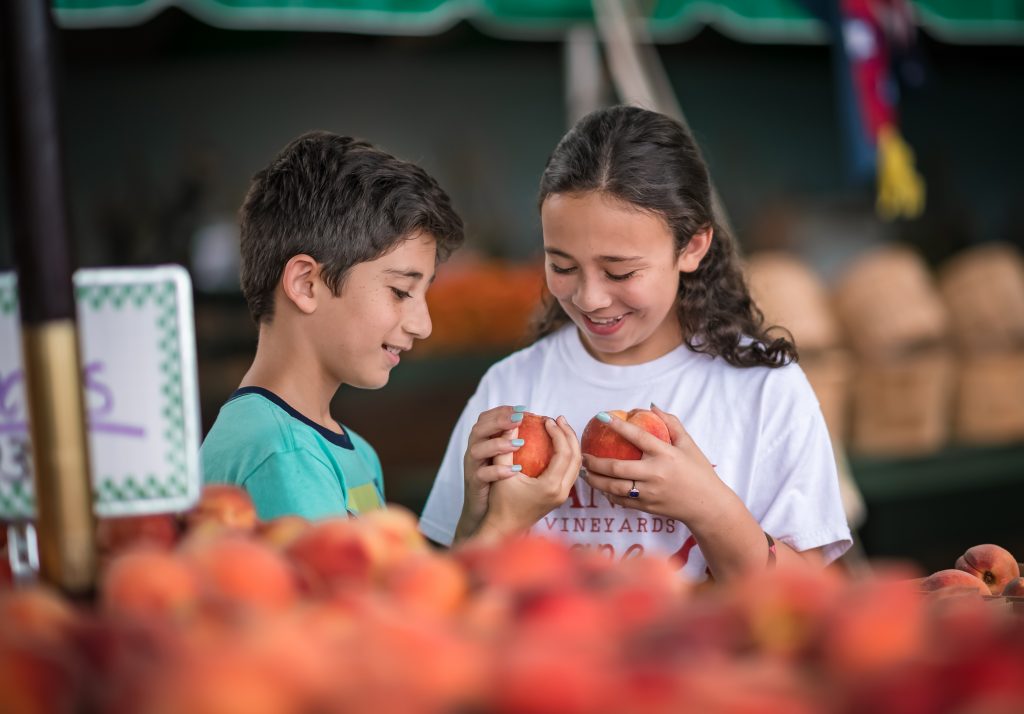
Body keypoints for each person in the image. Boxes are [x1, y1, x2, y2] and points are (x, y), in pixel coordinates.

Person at [420, 106, 852, 582]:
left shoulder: (762, 389)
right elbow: (452, 584)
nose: (589, 297)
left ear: (692, 247)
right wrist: (492, 522)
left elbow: (813, 595)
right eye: (562, 266)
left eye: (620, 271)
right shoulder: (510, 384)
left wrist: (709, 508)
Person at [201, 131, 464, 521]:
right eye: (401, 291)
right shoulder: (282, 454)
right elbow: (344, 585)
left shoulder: (352, 451)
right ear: (306, 284)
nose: (423, 326)